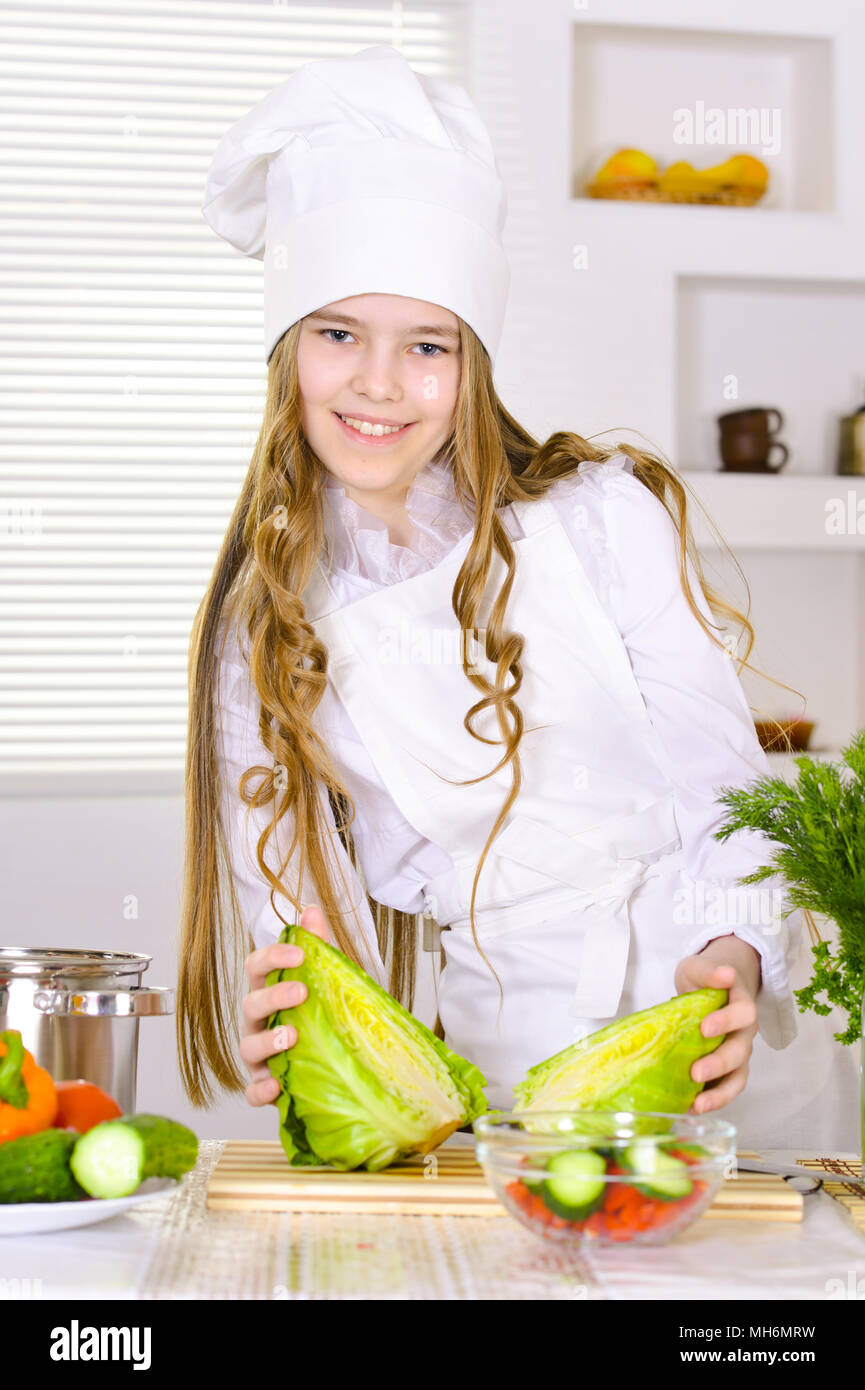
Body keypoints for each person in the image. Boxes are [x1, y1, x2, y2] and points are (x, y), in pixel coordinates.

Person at [176, 46, 809, 1144]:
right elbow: (299, 914)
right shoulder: (265, 626)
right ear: (288, 354)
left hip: (710, 1044)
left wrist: (735, 953)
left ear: (473, 361)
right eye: (338, 334)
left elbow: (729, 791)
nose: (378, 383)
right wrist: (305, 1011)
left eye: (426, 345)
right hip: (500, 1073)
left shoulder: (602, 519)